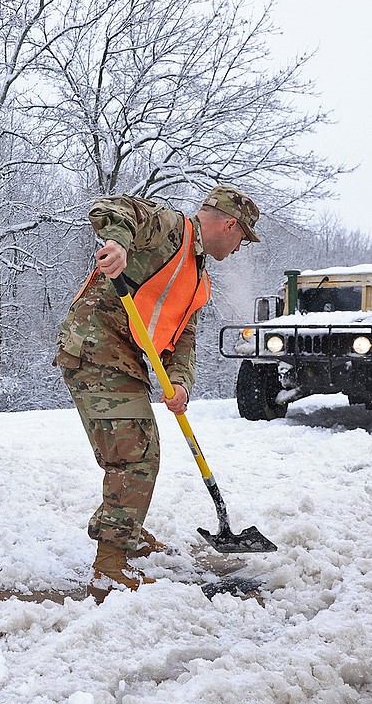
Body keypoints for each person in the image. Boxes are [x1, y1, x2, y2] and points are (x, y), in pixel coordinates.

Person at [55, 184, 261, 601]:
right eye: (242, 238)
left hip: (123, 359)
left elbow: (183, 338)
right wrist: (116, 243)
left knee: (130, 453)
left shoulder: (198, 278)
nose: (240, 248)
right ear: (230, 224)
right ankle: (109, 568)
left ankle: (125, 530)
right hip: (95, 348)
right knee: (135, 455)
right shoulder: (172, 229)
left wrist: (181, 381)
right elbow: (115, 207)